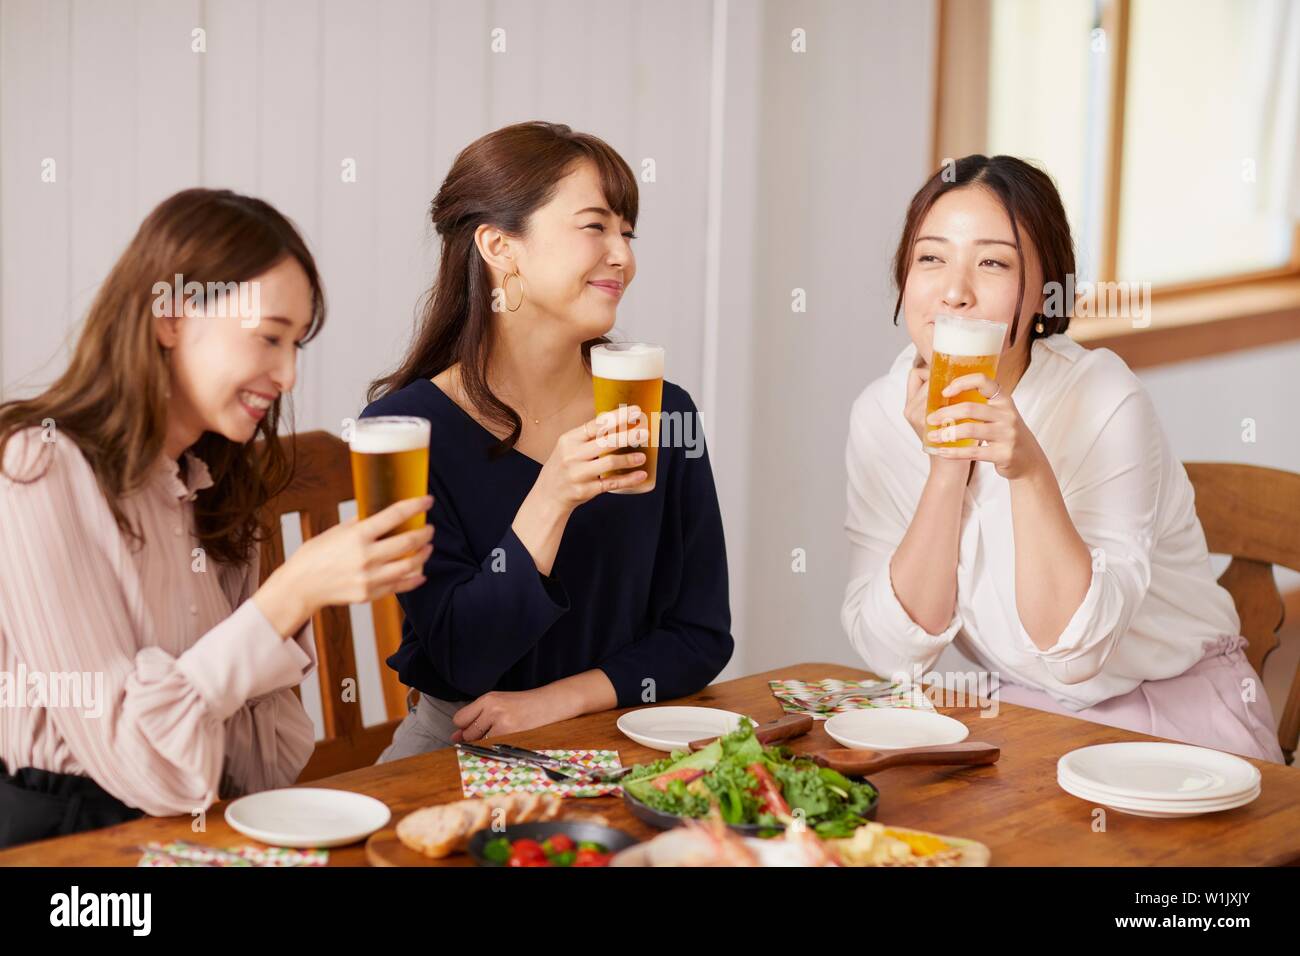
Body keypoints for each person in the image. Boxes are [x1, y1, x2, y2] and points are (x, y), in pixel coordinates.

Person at [0, 188, 434, 847]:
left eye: (297, 346)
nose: (288, 375)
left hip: (197, 826)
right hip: (66, 839)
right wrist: (287, 599)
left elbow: (262, 764)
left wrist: (282, 613)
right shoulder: (39, 468)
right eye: (269, 338)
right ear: (170, 319)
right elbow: (138, 763)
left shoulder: (210, 481)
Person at [841, 154, 1284, 764]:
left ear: (1047, 291)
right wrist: (948, 463)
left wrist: (1027, 468)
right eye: (930, 258)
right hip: (1023, 716)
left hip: (1171, 717)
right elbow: (892, 654)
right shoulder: (879, 414)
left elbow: (1075, 654)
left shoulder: (1103, 397)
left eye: (993, 262)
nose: (955, 291)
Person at [363, 122, 733, 760]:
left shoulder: (663, 412)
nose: (623, 255)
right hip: (461, 749)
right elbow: (462, 657)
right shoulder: (402, 434)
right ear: (500, 246)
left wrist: (559, 701)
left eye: (628, 232)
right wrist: (553, 496)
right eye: (595, 226)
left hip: (624, 738)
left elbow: (700, 635)